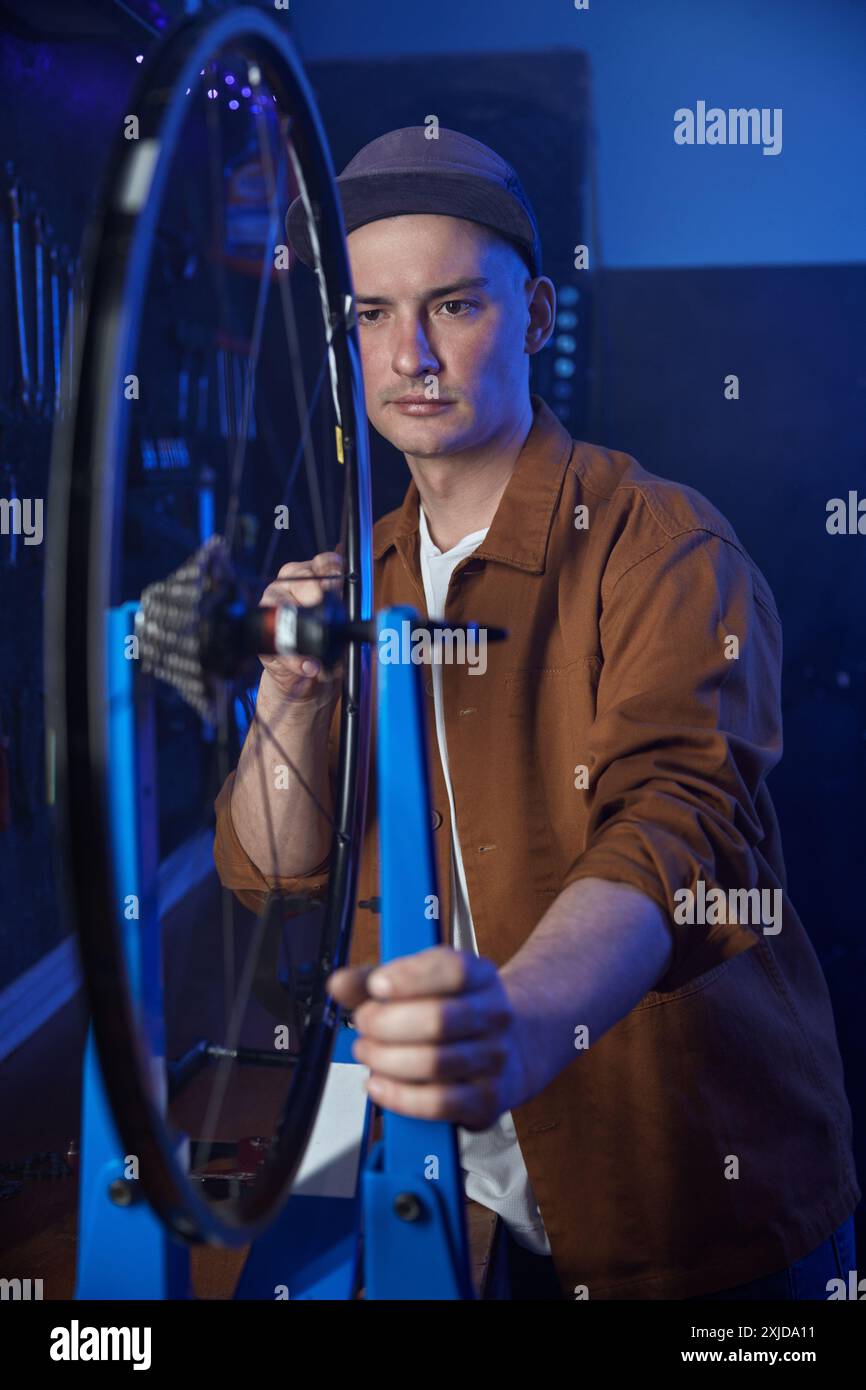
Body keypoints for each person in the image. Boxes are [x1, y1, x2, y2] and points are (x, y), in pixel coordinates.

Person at [213, 126, 860, 1300]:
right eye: (369, 315)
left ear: (538, 313)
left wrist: (522, 1021)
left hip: (681, 1205)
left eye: (453, 305)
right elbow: (272, 874)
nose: (409, 352)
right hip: (459, 1196)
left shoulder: (662, 546)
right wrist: (290, 695)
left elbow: (677, 827)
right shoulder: (357, 583)